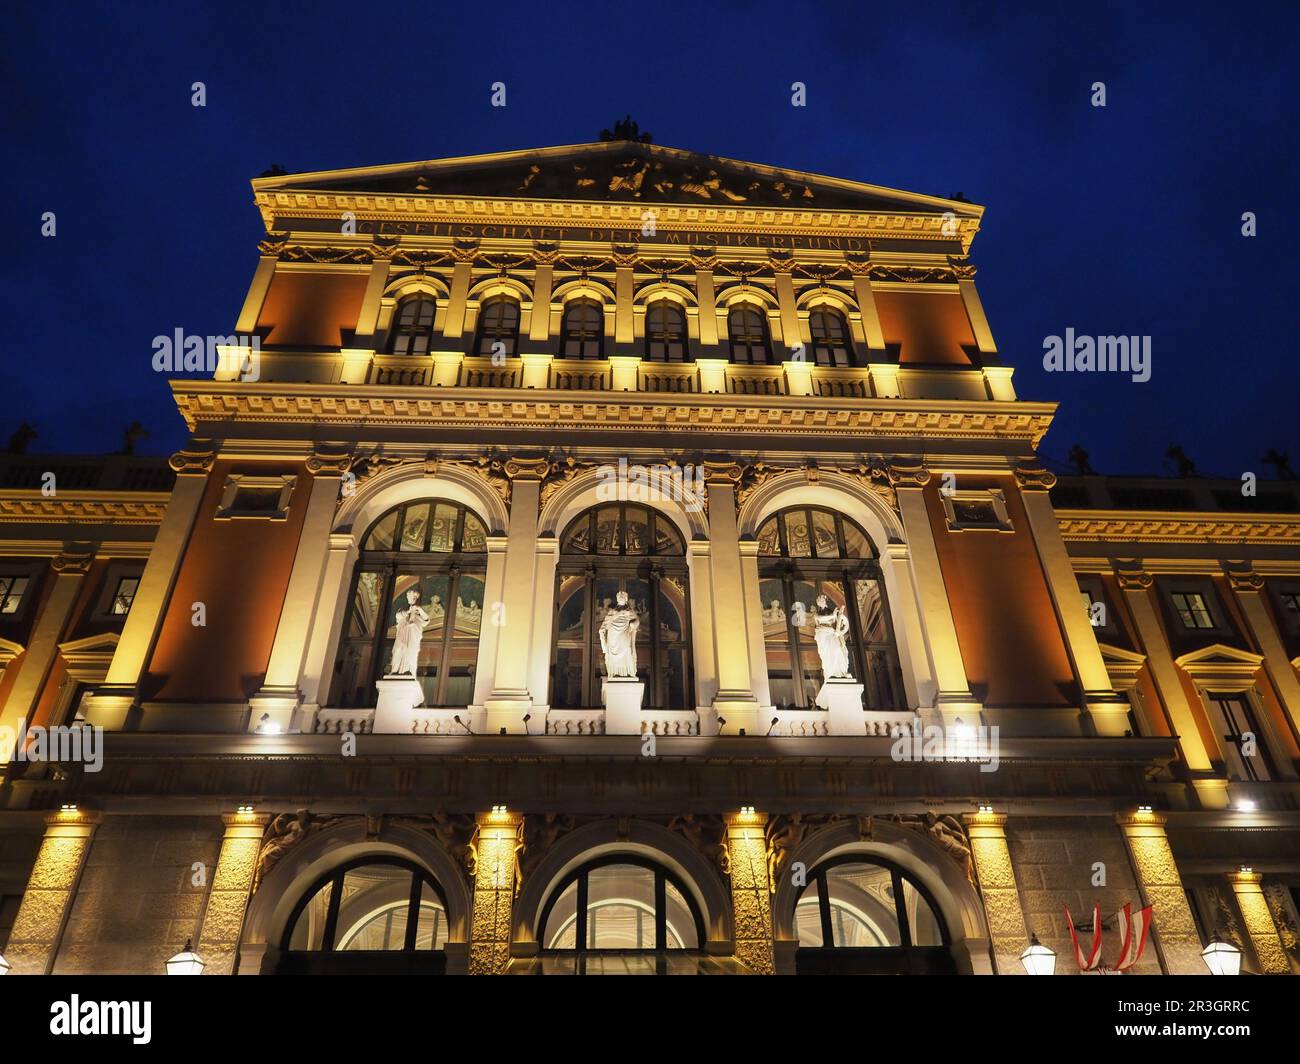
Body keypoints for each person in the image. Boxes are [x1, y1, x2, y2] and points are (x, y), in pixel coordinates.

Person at [387, 588, 429, 676]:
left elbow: (426, 620)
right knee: (398, 650)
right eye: (410, 597)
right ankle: (395, 670)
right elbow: (398, 616)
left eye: (414, 597)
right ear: (407, 597)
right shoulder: (402, 609)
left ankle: (408, 670)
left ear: (416, 598)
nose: (412, 599)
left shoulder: (419, 610)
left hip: (413, 635)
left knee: (411, 652)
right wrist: (408, 611)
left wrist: (419, 609)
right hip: (402, 633)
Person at [599, 590, 639, 678]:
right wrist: (604, 645)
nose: (621, 598)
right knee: (613, 657)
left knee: (628, 652)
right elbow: (602, 628)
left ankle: (629, 672)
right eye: (620, 597)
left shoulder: (630, 612)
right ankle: (613, 672)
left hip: (625, 635)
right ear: (617, 599)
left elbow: (637, 621)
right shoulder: (611, 612)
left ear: (626, 599)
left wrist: (633, 624)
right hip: (613, 638)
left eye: (623, 597)